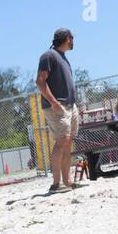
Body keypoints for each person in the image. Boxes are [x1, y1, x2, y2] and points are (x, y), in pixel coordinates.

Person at [36, 27, 79, 193]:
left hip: (69, 106)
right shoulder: (48, 55)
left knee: (67, 143)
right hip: (57, 107)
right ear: (67, 38)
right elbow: (40, 81)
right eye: (72, 38)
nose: (73, 42)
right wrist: (53, 102)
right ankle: (55, 184)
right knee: (61, 142)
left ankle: (67, 182)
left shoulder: (63, 57)